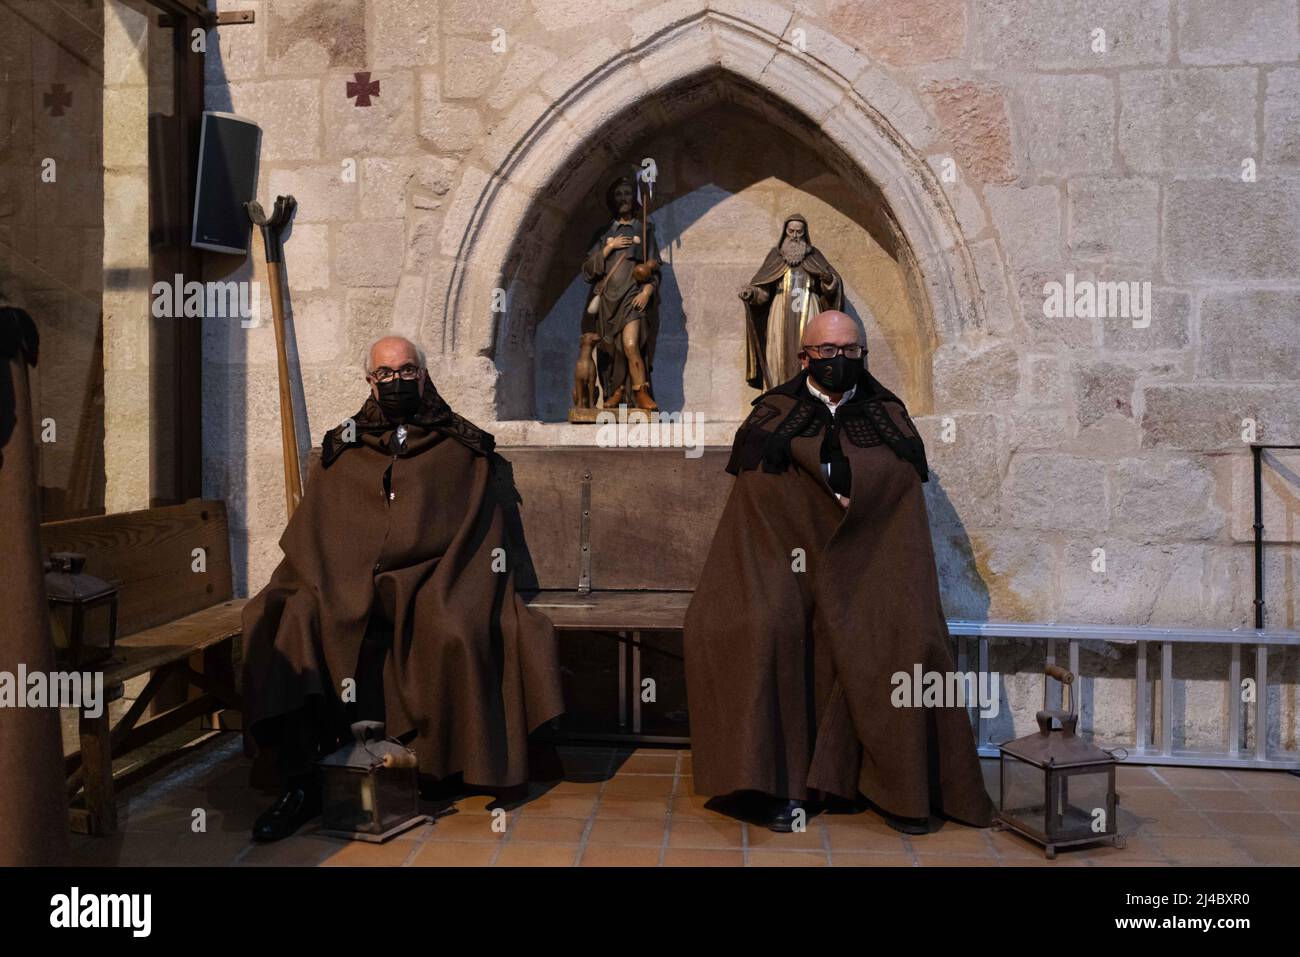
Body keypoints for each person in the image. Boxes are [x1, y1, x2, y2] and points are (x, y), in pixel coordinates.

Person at [240, 335, 564, 842]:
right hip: (344, 576)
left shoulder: (459, 446)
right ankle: (304, 778)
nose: (396, 382)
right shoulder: (342, 446)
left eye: (406, 371)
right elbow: (321, 530)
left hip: (433, 574)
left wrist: (429, 574)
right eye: (385, 374)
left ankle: (435, 768)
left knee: (453, 623)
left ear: (424, 375)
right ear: (369, 380)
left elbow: (477, 535)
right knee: (286, 616)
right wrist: (343, 575)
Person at [684, 310, 994, 834]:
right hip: (783, 563)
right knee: (763, 626)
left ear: (861, 355)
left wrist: (859, 502)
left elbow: (900, 495)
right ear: (805, 357)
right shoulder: (772, 414)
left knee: (908, 632)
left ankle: (902, 787)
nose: (837, 360)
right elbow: (758, 506)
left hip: (873, 562)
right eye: (826, 351)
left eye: (849, 351)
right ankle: (777, 786)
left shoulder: (887, 414)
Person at [581, 176, 661, 411]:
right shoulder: (604, 233)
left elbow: (654, 268)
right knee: (611, 350)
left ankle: (641, 391)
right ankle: (616, 392)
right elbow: (587, 270)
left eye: (627, 193)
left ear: (633, 198)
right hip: (608, 301)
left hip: (632, 298)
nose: (623, 198)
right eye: (618, 194)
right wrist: (609, 247)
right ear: (612, 200)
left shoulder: (644, 229)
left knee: (630, 343)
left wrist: (647, 291)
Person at [740, 214, 843, 391]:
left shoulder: (814, 256)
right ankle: (779, 392)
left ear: (805, 233)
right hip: (780, 311)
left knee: (811, 346)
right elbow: (764, 292)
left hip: (809, 307)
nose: (795, 236)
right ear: (785, 232)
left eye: (799, 232)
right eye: (791, 231)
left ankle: (812, 391)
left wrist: (827, 279)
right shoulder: (776, 256)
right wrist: (752, 293)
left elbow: (831, 288)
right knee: (778, 352)